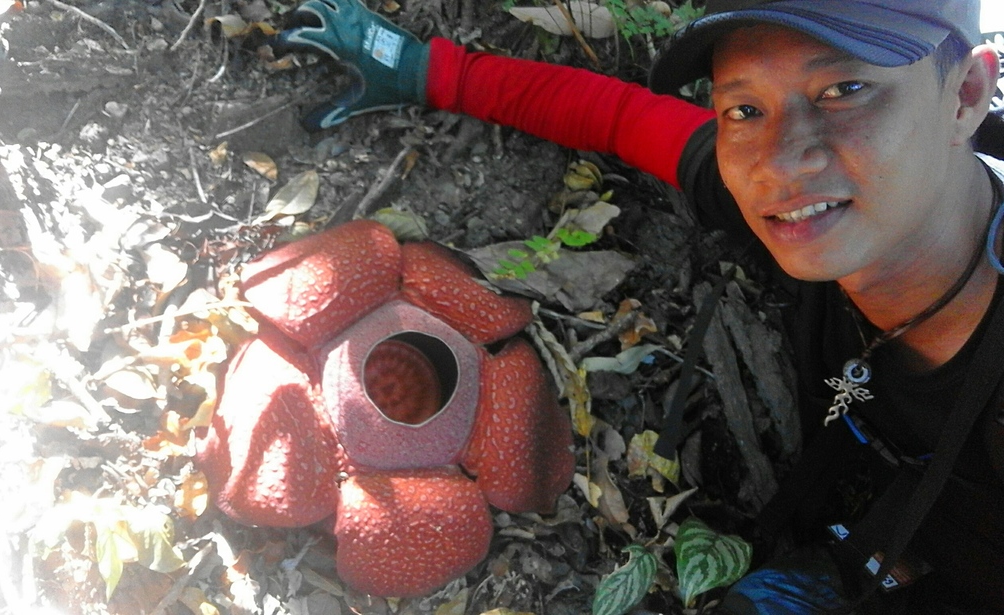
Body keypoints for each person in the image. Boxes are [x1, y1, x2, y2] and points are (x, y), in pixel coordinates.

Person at [270, 0, 1004, 612]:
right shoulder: (804, 198)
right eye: (744, 106)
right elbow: (620, 117)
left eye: (845, 90)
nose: (780, 159)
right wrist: (433, 71)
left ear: (966, 96)